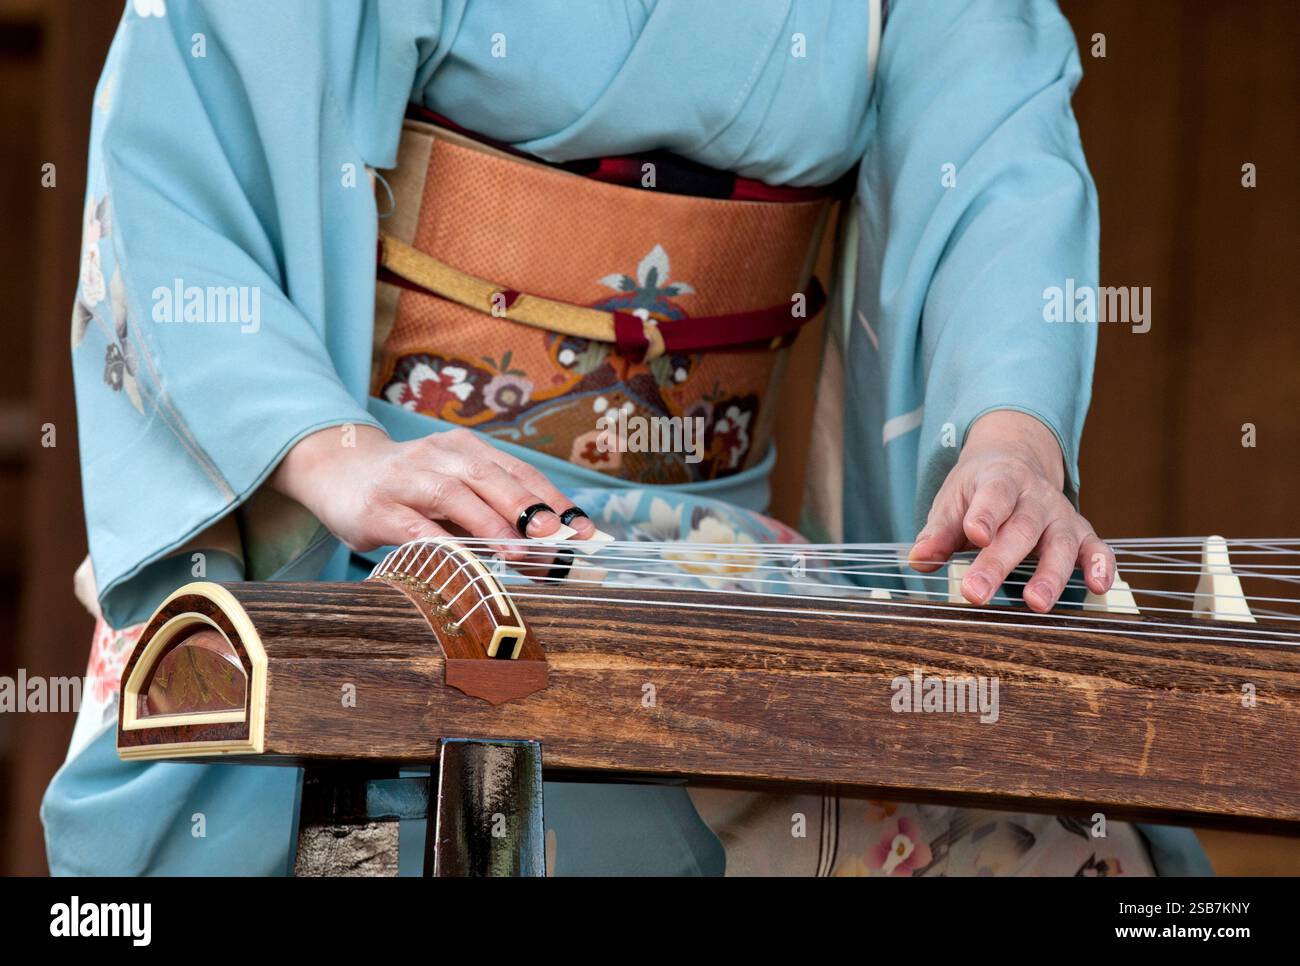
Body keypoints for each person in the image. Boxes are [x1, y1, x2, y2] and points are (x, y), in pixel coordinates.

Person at [43, 0, 1208, 876]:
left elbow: (997, 163)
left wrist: (1008, 444)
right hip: (397, 517)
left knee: (1071, 841)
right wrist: (327, 454)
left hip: (711, 563)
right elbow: (178, 153)